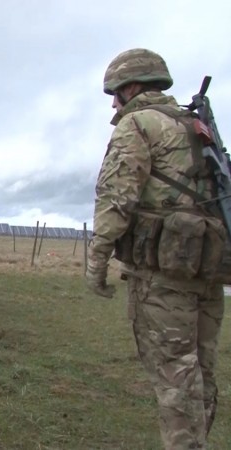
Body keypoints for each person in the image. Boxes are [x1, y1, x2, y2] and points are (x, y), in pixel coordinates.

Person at [86, 48, 224, 449]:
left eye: (115, 92)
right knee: (201, 375)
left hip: (163, 281)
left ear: (131, 87)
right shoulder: (195, 126)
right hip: (206, 272)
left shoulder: (138, 126)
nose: (114, 103)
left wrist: (96, 263)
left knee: (177, 381)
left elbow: (116, 199)